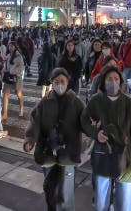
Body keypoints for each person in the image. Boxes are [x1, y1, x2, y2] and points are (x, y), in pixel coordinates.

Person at [81, 66, 131, 211]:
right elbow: (84, 120)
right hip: (103, 157)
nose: (113, 82)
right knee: (101, 204)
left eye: (116, 79)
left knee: (125, 205)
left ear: (120, 82)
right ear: (103, 81)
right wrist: (96, 133)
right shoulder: (97, 100)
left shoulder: (128, 103)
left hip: (126, 160)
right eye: (109, 79)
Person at [24, 68, 85, 211]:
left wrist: (94, 128)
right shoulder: (44, 102)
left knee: (66, 194)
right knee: (50, 190)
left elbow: (86, 121)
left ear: (67, 82)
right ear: (52, 82)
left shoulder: (76, 102)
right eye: (56, 82)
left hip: (68, 154)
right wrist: (30, 139)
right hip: (48, 153)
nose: (59, 84)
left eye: (62, 81)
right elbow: (35, 121)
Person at [2, 41, 26, 120]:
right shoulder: (8, 55)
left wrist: (14, 72)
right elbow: (6, 66)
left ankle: (21, 110)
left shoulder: (19, 56)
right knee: (5, 94)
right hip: (8, 77)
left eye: (12, 46)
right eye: (9, 46)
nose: (10, 48)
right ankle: (5, 113)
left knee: (19, 94)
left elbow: (21, 67)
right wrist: (5, 70)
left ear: (15, 47)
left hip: (17, 78)